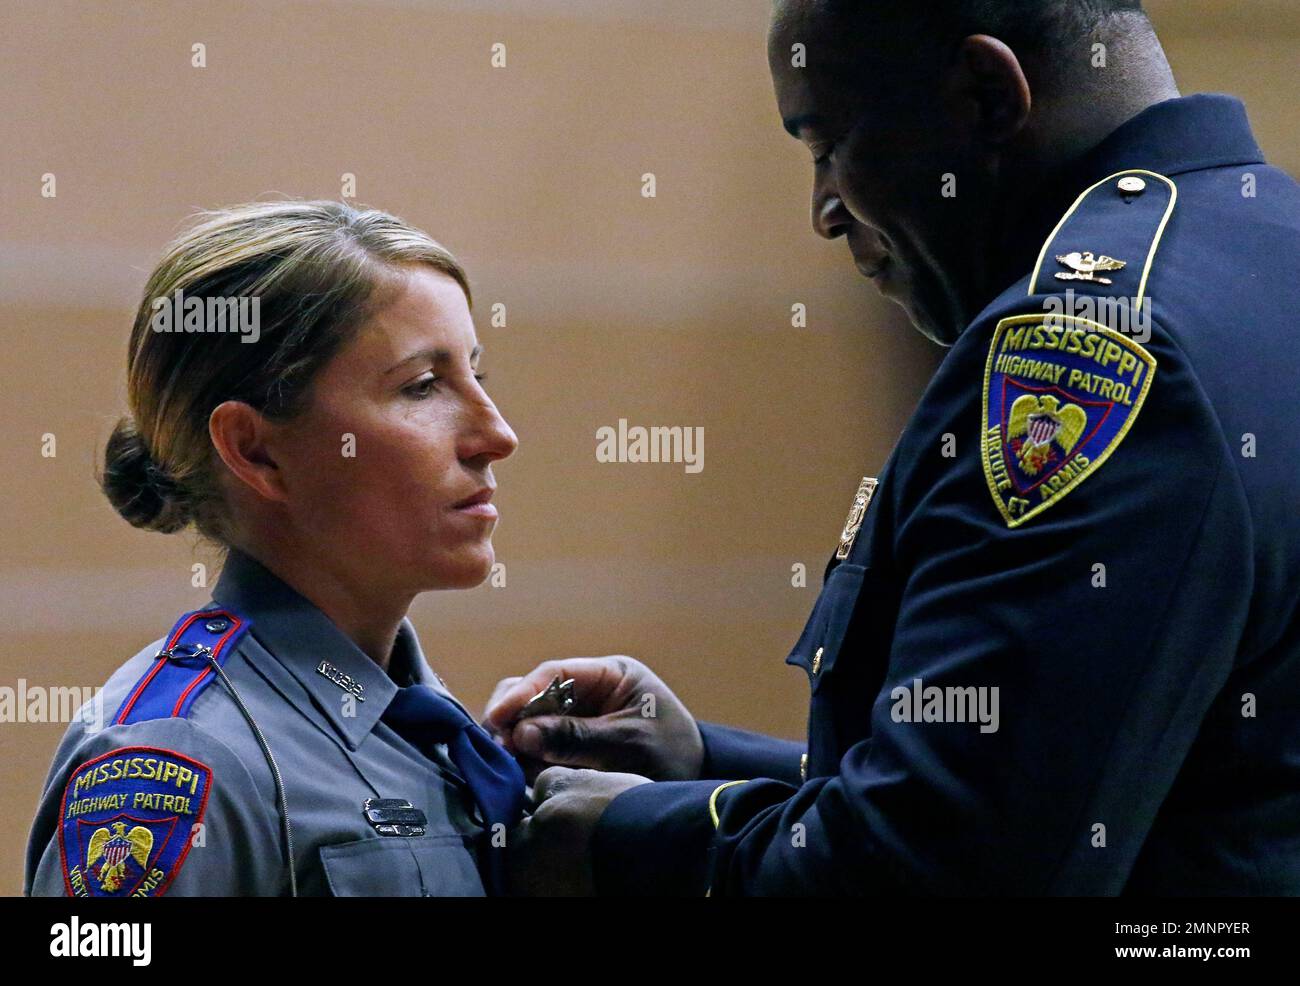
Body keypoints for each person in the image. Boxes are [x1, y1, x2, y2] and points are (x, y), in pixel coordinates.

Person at [486, 0, 1300, 894]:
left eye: (828, 143)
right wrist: (703, 760)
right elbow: (1087, 784)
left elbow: (941, 870)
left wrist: (627, 834)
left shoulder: (1077, 346)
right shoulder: (1268, 250)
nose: (825, 213)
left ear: (987, 97)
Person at [25, 200, 523, 896]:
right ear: (257, 451)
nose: (496, 434)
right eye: (422, 386)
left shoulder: (437, 731)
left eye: (477, 375)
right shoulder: (171, 759)